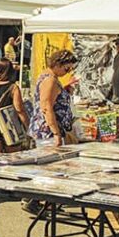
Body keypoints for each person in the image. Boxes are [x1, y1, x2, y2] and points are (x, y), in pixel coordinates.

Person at [24, 50, 78, 214]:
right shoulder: (50, 80)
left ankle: (40, 201)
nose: (67, 73)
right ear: (58, 64)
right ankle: (32, 200)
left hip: (47, 130)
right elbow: (46, 106)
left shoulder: (48, 77)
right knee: (49, 167)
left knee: (49, 167)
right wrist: (56, 133)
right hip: (47, 131)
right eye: (66, 69)